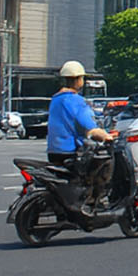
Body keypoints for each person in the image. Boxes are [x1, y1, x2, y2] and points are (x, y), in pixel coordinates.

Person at [47, 61, 114, 211]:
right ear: (78, 80)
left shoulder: (55, 99)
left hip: (53, 152)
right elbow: (90, 127)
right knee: (104, 164)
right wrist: (107, 137)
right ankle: (94, 200)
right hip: (70, 152)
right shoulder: (75, 101)